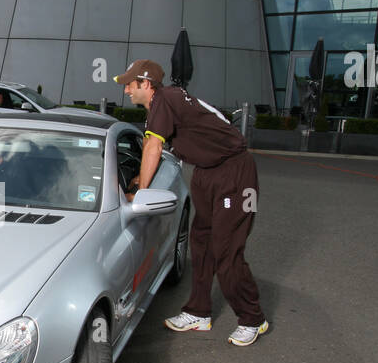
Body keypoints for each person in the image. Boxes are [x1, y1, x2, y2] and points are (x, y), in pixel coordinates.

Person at [115, 59, 269, 346]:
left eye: (129, 84)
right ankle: (199, 312)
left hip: (233, 173)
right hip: (207, 172)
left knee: (226, 252)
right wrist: (138, 180)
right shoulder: (163, 103)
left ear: (145, 84)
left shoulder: (166, 99)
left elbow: (153, 147)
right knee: (201, 244)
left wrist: (143, 191)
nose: (126, 91)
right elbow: (157, 148)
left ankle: (252, 318)